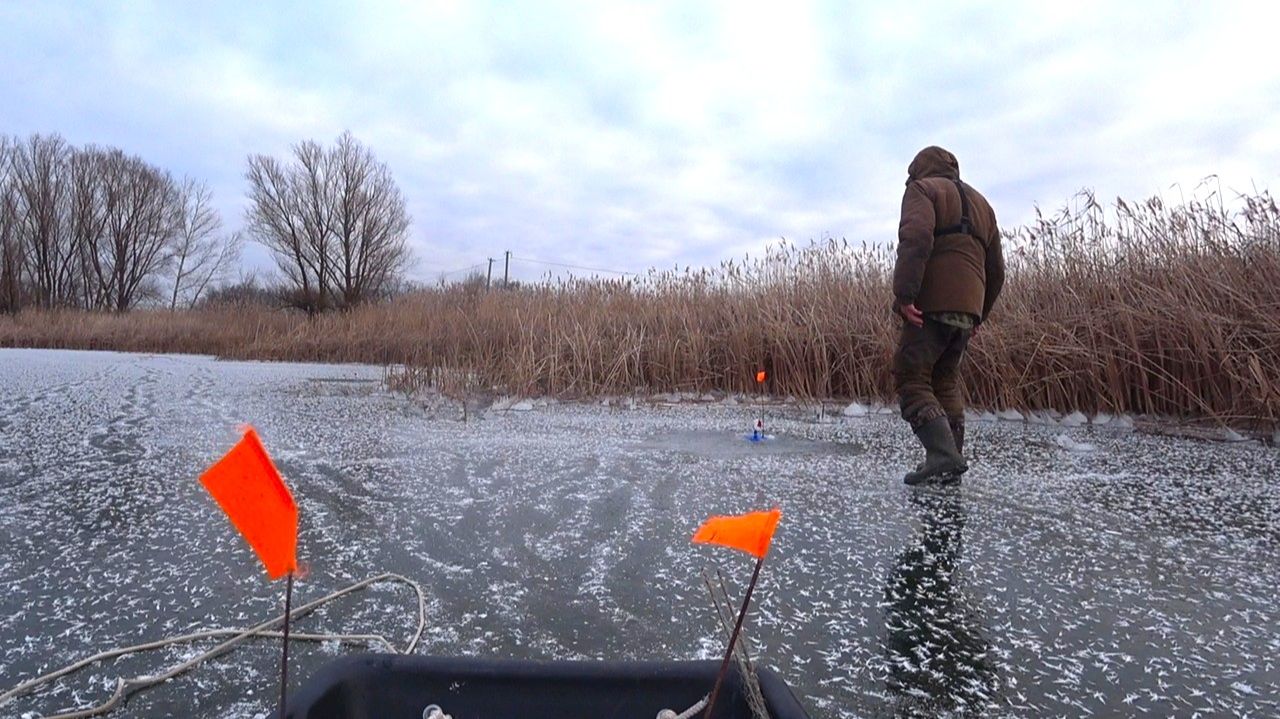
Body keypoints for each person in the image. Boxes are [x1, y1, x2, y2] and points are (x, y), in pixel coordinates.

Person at [892, 146, 1004, 485]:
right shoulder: (983, 204)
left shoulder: (922, 190)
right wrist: (979, 314)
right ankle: (951, 459)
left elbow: (915, 237)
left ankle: (942, 456)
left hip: (929, 306)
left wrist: (904, 295)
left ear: (918, 170)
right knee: (944, 380)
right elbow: (996, 269)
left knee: (911, 376)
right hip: (967, 311)